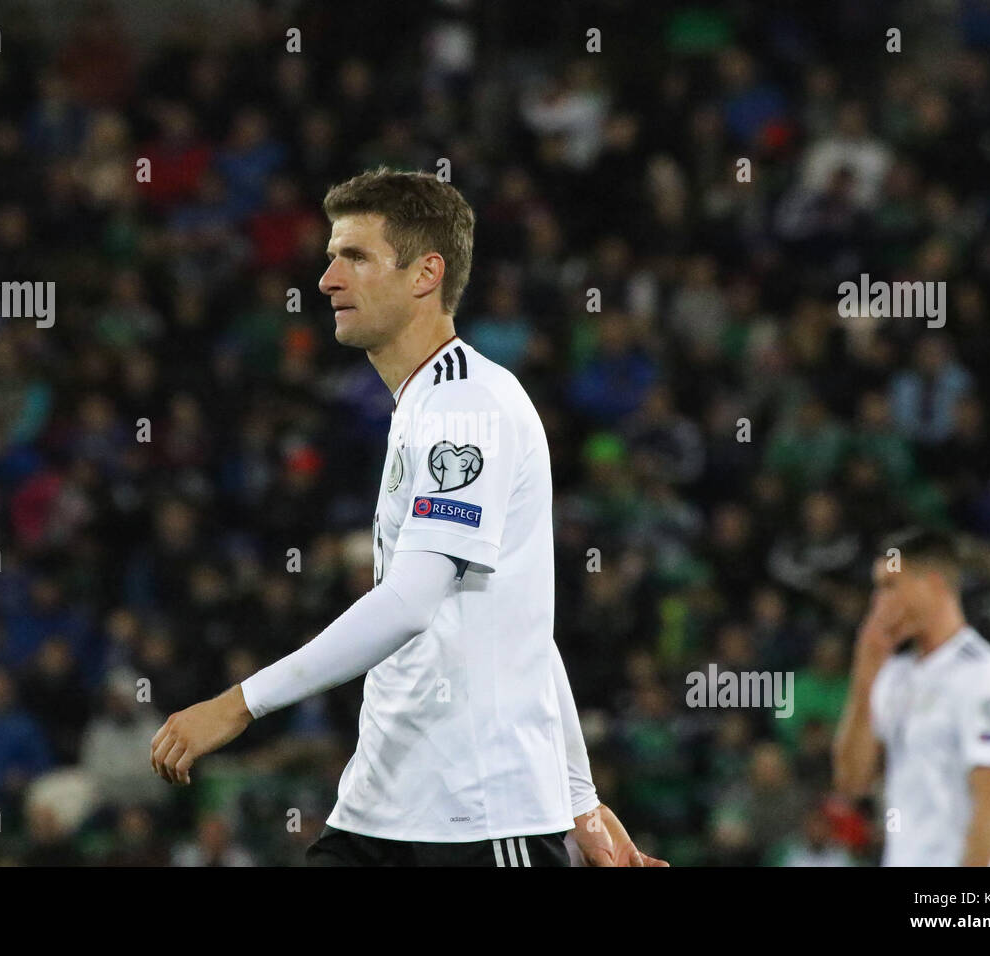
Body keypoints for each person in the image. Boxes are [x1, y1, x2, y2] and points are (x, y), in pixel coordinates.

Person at [150, 166, 665, 867]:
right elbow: (523, 626)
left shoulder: (467, 407)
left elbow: (412, 601)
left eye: (354, 257)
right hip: (383, 810)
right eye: (331, 257)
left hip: (478, 821)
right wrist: (581, 797)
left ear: (426, 273)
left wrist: (239, 703)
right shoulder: (424, 406)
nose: (328, 279)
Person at [833, 527, 990, 865]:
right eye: (877, 589)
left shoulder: (982, 677)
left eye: (891, 586)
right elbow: (851, 781)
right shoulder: (895, 674)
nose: (879, 603)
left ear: (935, 584)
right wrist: (865, 677)